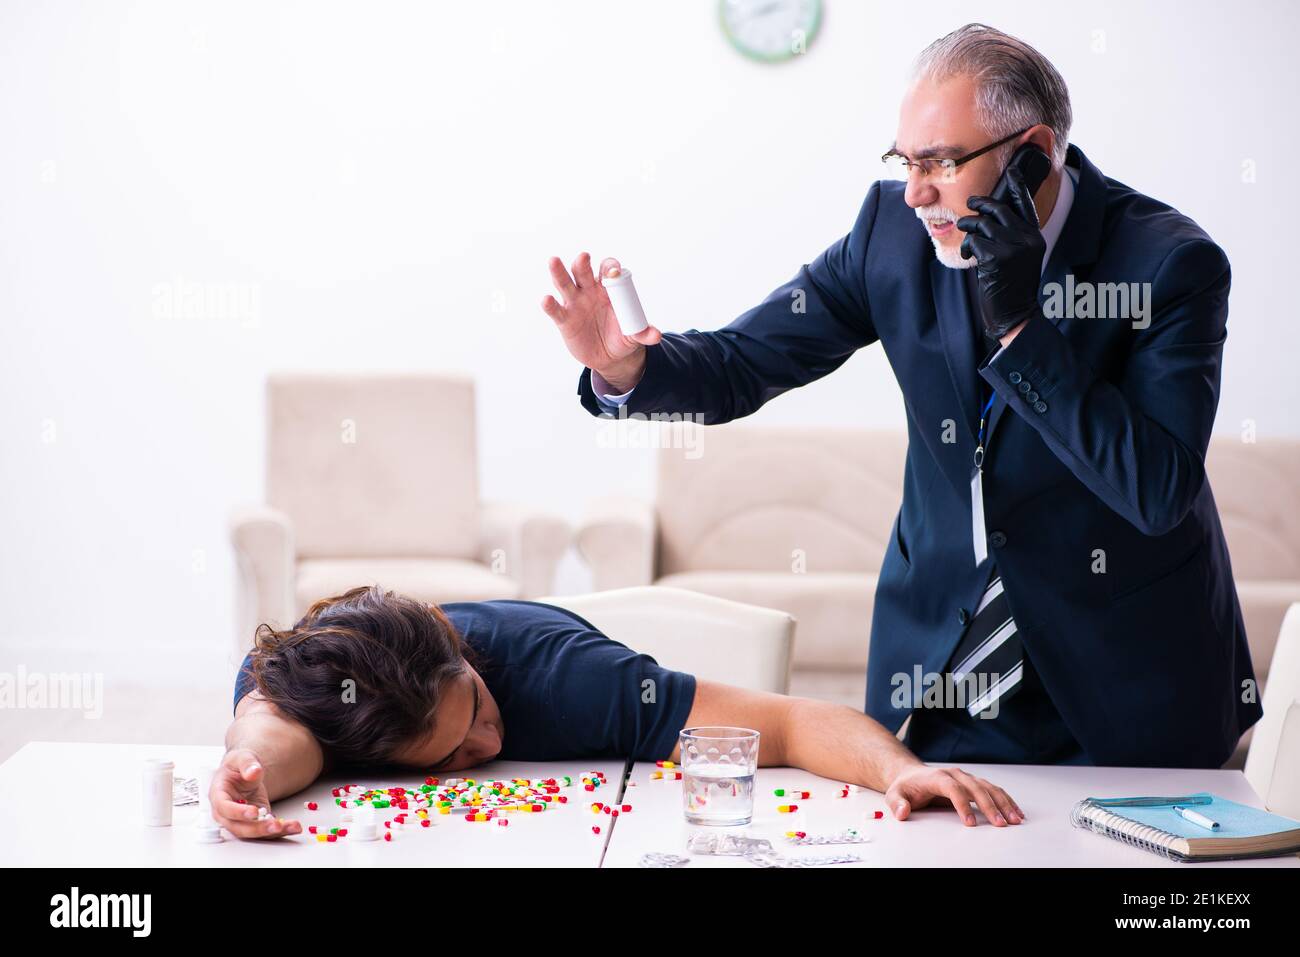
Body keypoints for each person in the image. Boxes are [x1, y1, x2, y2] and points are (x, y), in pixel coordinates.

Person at [541, 23, 1260, 768]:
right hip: (946, 678)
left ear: (1034, 156)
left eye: (941, 163)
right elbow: (741, 362)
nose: (916, 192)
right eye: (905, 161)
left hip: (1129, 686)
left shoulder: (1171, 264)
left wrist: (1019, 327)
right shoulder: (889, 234)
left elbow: (1157, 488)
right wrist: (626, 370)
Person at [214, 585, 1023, 840]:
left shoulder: (571, 678)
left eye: (480, 711)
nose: (489, 741)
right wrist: (243, 778)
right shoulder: (319, 687)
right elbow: (269, 730)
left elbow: (788, 722)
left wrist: (902, 766)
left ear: (462, 652)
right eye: (455, 755)